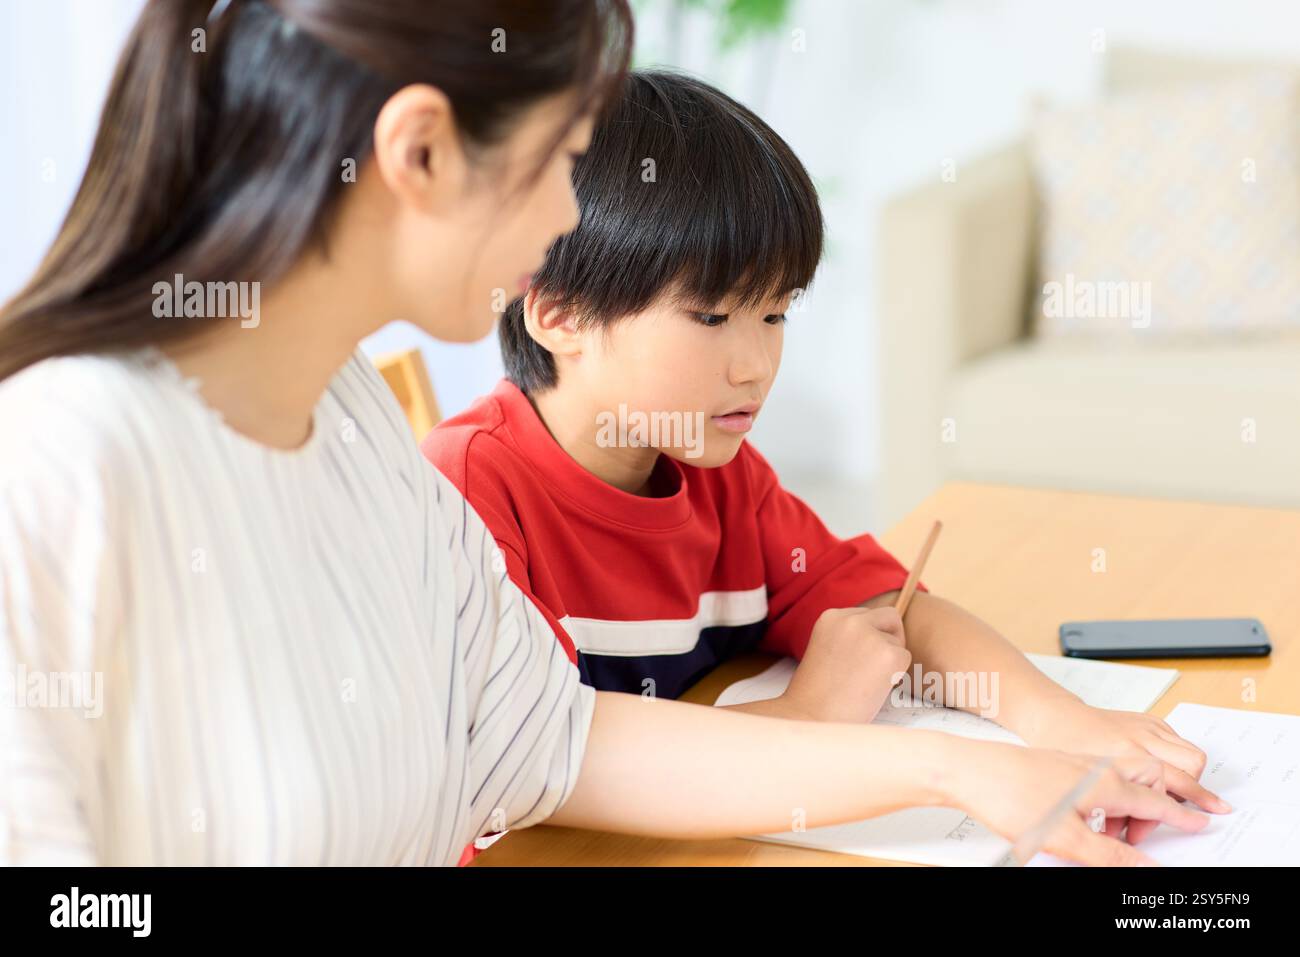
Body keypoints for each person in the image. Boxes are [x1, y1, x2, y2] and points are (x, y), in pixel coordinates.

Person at [0, 0, 1216, 866]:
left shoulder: (353, 423)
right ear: (418, 151)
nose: (567, 218)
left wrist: (970, 768)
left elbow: (558, 739)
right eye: (563, 164)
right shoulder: (60, 470)